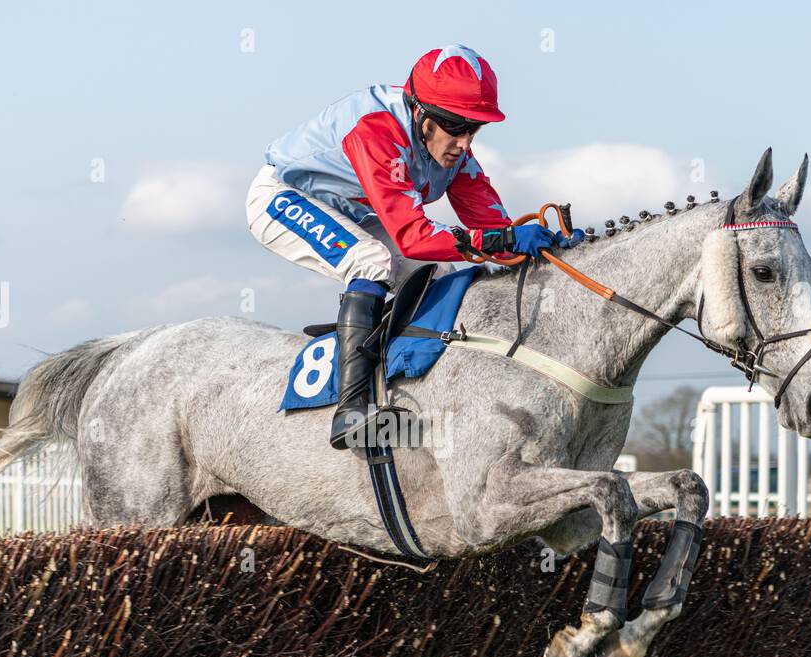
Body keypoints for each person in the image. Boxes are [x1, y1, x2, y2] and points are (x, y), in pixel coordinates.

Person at [247, 43, 580, 449]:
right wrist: (500, 240)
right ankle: (351, 412)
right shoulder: (376, 131)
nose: (464, 142)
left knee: (439, 276)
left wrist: (549, 250)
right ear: (422, 113)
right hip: (282, 198)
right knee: (371, 261)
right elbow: (413, 236)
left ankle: (411, 395)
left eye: (474, 128)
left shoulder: (456, 153)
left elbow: (493, 232)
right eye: (456, 126)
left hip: (357, 212)